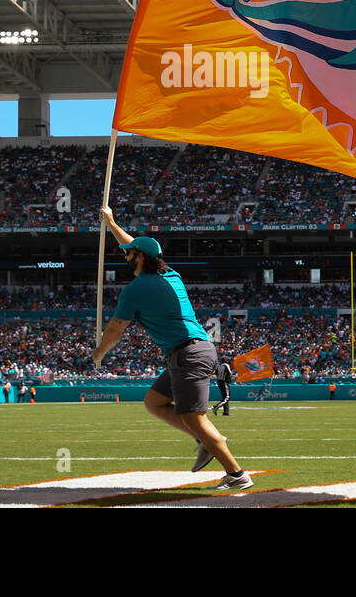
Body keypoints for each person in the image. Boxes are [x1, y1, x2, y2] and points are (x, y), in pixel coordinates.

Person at [92, 207, 251, 491]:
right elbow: (132, 243)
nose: (125, 256)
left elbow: (115, 329)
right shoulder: (170, 274)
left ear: (139, 258)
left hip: (188, 354)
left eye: (128, 254)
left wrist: (99, 353)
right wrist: (112, 223)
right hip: (192, 351)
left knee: (194, 418)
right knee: (154, 401)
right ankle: (204, 440)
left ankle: (237, 473)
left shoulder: (136, 289)